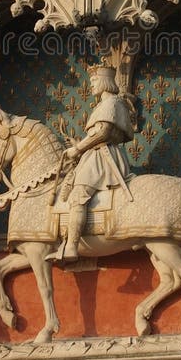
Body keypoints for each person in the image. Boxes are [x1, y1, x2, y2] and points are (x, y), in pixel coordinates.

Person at [49, 64, 135, 263]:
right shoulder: (106, 104)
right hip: (95, 154)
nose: (91, 85)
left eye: (95, 80)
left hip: (102, 157)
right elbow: (97, 134)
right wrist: (79, 144)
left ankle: (71, 246)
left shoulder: (112, 103)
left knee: (78, 195)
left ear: (105, 81)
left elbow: (103, 132)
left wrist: (78, 149)